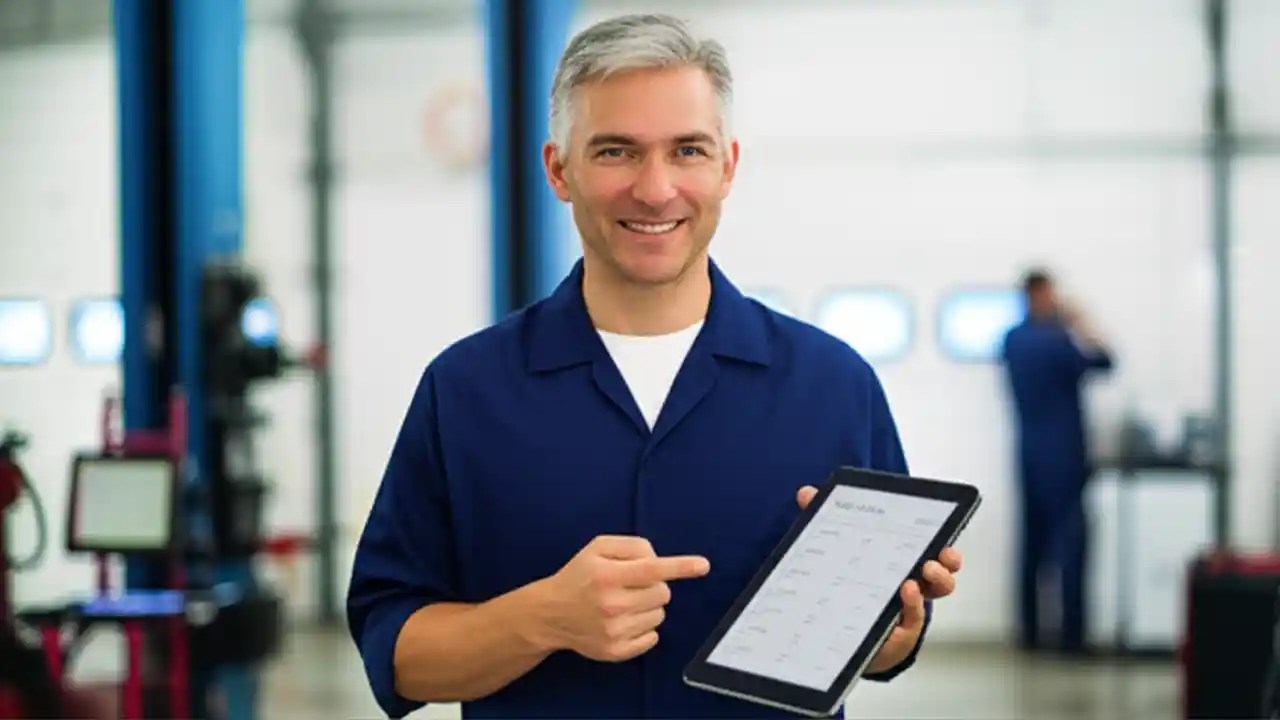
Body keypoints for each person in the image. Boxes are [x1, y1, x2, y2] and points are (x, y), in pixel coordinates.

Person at [347, 13, 962, 718]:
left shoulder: (833, 387)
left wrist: (892, 631)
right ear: (558, 170)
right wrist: (544, 617)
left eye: (688, 151)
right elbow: (395, 650)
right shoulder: (465, 393)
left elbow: (883, 643)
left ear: (727, 167)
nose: (656, 188)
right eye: (616, 152)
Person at [1000, 269, 1114, 655]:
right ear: (1041, 294)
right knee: (1071, 547)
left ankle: (1030, 635)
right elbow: (1105, 362)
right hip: (1064, 457)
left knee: (1030, 546)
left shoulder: (1012, 340)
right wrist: (1081, 324)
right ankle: (1072, 637)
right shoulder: (1057, 339)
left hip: (1028, 455)